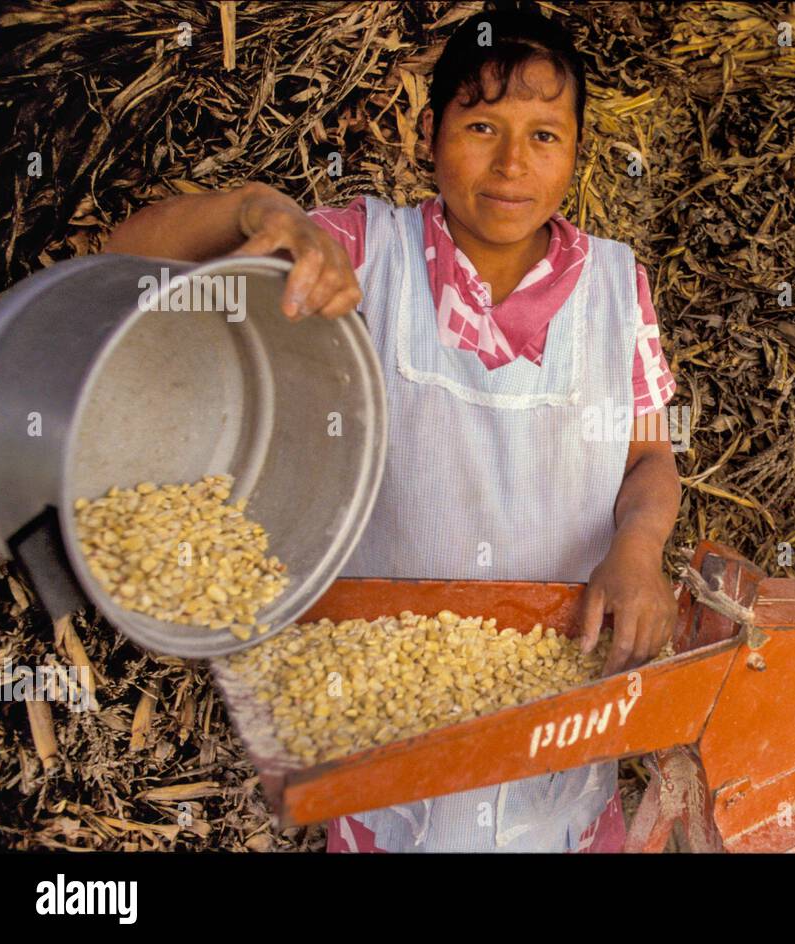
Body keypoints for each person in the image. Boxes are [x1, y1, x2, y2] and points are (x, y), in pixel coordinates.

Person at [102, 2, 681, 852]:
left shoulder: (614, 288)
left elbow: (648, 458)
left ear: (577, 149)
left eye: (545, 135)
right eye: (481, 126)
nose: (513, 163)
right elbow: (125, 254)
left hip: (559, 715)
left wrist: (638, 551)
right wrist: (261, 212)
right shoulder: (360, 252)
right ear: (428, 134)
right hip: (386, 713)